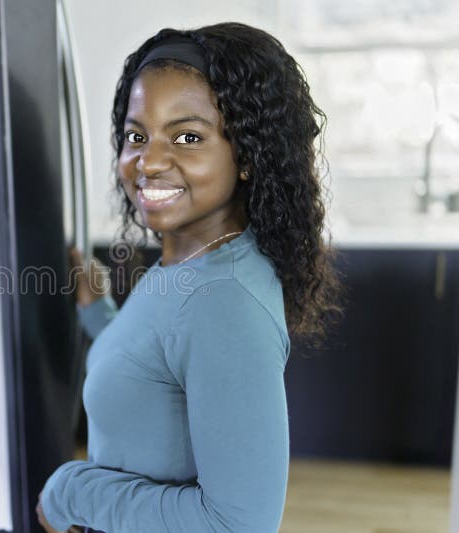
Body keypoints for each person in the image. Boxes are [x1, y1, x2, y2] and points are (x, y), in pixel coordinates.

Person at [35, 22, 344, 533]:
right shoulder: (194, 263)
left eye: (187, 136)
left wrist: (74, 490)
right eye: (137, 135)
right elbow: (157, 364)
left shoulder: (224, 302)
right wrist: (97, 311)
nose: (148, 161)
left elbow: (237, 524)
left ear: (247, 155)